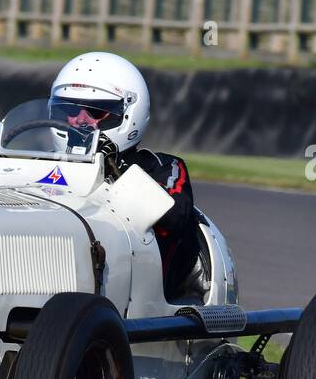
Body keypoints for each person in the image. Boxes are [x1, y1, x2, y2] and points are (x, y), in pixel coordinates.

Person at [49, 52, 204, 300]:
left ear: (129, 115)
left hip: (140, 296)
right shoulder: (42, 164)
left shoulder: (162, 167)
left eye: (95, 111)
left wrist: (114, 171)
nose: (79, 120)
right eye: (69, 108)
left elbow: (174, 217)